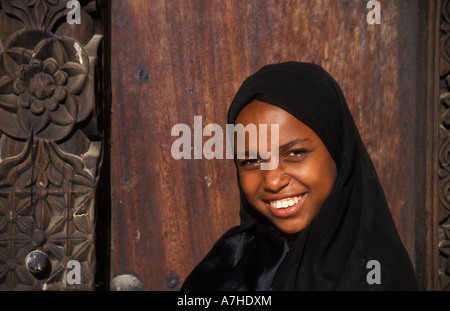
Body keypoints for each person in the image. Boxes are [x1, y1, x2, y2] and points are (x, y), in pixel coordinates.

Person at [181, 61, 417, 291]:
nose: (273, 181)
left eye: (295, 153)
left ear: (338, 152)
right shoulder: (232, 259)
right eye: (252, 161)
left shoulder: (375, 275)